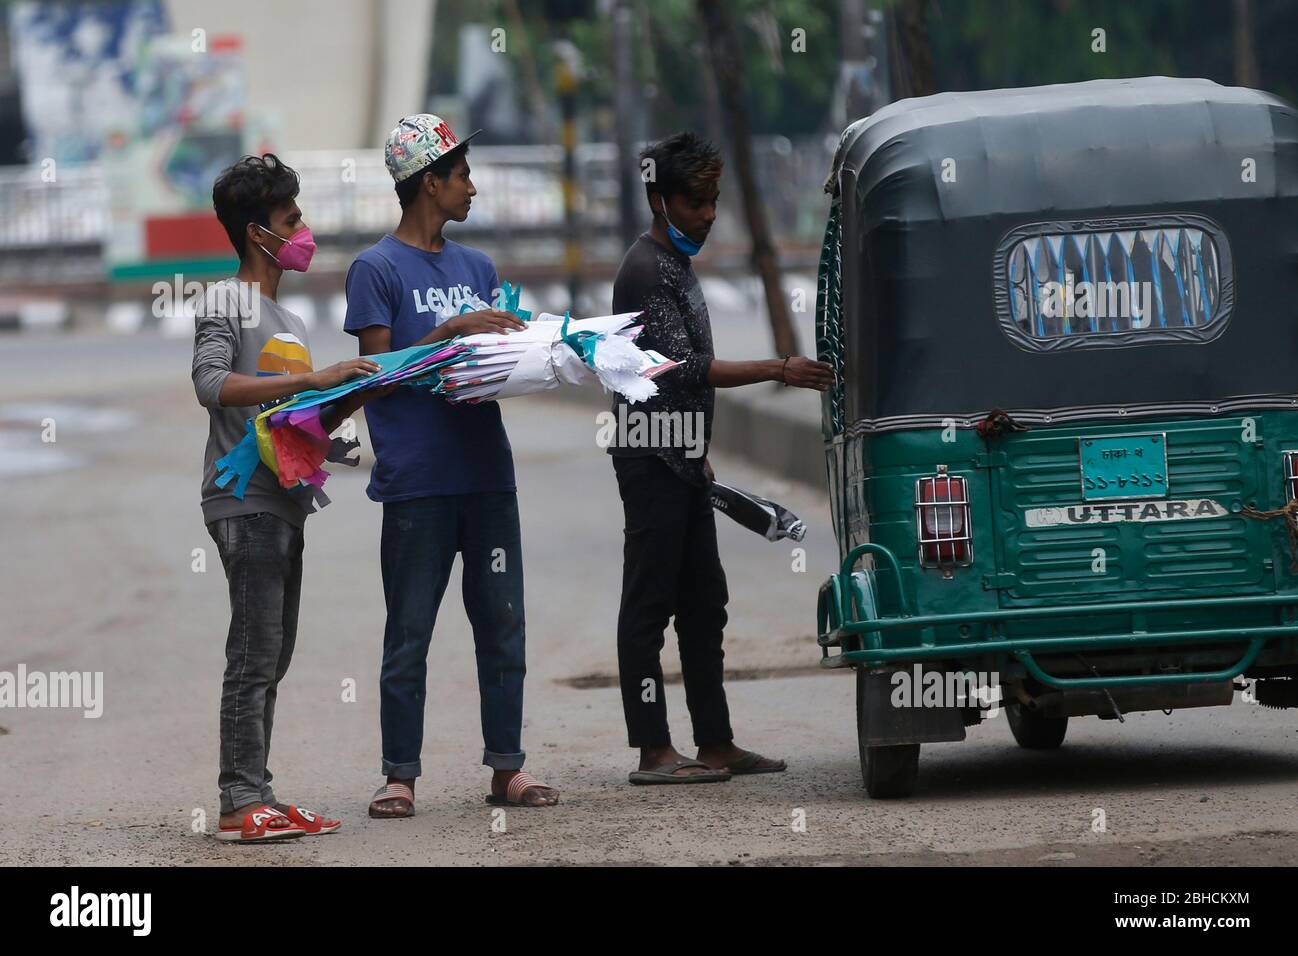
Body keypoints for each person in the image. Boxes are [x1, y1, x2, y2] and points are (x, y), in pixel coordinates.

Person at [343, 114, 559, 817]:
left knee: (503, 625)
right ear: (428, 182)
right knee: (409, 632)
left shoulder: (479, 268)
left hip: (487, 476)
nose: (472, 187)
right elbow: (373, 376)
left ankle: (507, 769)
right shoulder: (375, 270)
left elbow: (494, 363)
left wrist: (548, 356)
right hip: (417, 483)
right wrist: (447, 332)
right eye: (461, 175)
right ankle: (399, 775)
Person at [608, 132, 835, 784]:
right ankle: (654, 751)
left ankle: (715, 742)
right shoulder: (646, 270)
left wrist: (697, 456)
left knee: (705, 602)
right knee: (649, 607)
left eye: (713, 201)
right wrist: (778, 368)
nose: (708, 215)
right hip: (650, 462)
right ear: (660, 200)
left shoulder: (674, 265)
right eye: (696, 202)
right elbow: (684, 371)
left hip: (681, 461)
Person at [193, 154, 391, 842]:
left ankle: (261, 792)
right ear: (258, 233)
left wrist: (349, 392)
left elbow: (299, 421)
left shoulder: (286, 319)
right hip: (241, 499)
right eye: (292, 219)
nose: (303, 230)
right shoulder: (227, 302)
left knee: (272, 653)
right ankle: (236, 801)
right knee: (252, 653)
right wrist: (314, 381)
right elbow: (212, 384)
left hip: (282, 500)